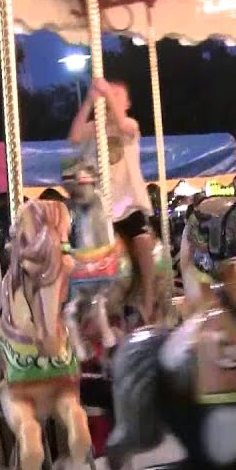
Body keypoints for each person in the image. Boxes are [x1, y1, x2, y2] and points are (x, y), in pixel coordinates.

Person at [68, 77, 158, 323]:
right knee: (77, 242)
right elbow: (74, 137)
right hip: (101, 206)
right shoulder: (94, 129)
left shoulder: (129, 125)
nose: (109, 98)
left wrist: (106, 93)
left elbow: (122, 125)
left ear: (126, 103)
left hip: (127, 203)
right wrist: (88, 102)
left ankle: (148, 301)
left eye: (117, 95)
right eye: (108, 95)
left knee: (141, 242)